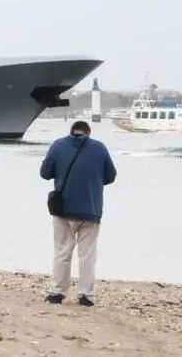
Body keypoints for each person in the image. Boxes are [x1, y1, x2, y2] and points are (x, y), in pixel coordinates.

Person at [40, 120, 117, 306]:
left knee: (62, 251)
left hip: (63, 209)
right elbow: (111, 176)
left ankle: (57, 293)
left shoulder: (58, 145)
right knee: (87, 255)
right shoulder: (100, 148)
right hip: (91, 209)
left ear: (71, 131)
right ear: (88, 132)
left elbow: (44, 172)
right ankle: (86, 295)